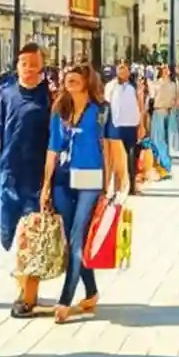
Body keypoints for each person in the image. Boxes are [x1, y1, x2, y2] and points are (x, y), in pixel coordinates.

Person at [40, 65, 130, 323]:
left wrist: (120, 183)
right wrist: (46, 184)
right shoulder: (59, 111)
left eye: (77, 74)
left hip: (90, 180)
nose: (71, 77)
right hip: (62, 179)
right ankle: (90, 292)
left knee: (78, 237)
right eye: (67, 75)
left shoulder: (101, 111)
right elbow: (52, 150)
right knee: (71, 240)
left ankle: (65, 300)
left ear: (87, 80)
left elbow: (115, 147)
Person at [0, 43, 52, 319]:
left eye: (35, 63)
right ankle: (25, 288)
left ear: (42, 66)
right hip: (10, 179)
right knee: (8, 236)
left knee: (30, 239)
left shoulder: (50, 97)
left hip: (38, 181)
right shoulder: (5, 95)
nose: (30, 68)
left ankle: (26, 296)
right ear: (18, 65)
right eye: (25, 63)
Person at [106, 61, 147, 194]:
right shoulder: (111, 86)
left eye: (125, 70)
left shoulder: (133, 87)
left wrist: (141, 125)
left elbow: (140, 106)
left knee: (131, 157)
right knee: (117, 159)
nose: (122, 72)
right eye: (120, 69)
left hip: (131, 126)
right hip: (116, 126)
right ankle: (117, 187)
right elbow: (106, 106)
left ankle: (131, 186)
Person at [150, 65, 179, 157]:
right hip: (159, 110)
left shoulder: (173, 84)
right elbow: (152, 96)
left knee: (168, 135)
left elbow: (176, 98)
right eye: (164, 69)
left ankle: (165, 153)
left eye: (167, 69)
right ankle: (160, 154)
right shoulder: (156, 84)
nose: (166, 71)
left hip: (170, 111)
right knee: (159, 135)